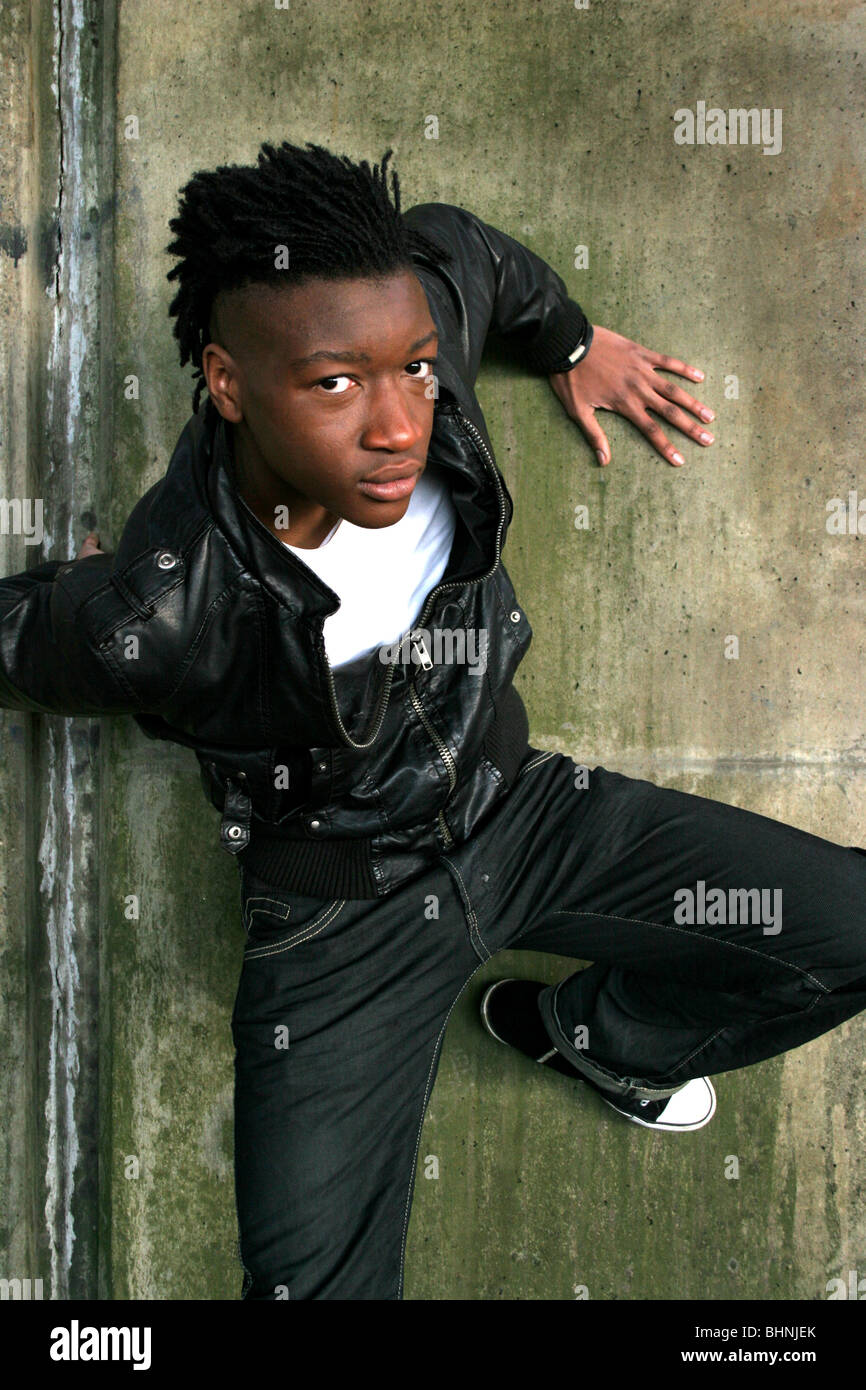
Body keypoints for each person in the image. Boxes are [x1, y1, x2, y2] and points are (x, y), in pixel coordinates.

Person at [4, 141, 865, 1301]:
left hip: (523, 815)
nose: (399, 424)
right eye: (333, 384)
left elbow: (475, 254)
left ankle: (598, 1039)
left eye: (410, 367)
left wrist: (569, 341)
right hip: (340, 913)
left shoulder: (423, 323)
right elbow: (23, 638)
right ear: (224, 381)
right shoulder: (160, 616)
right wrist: (106, 591)